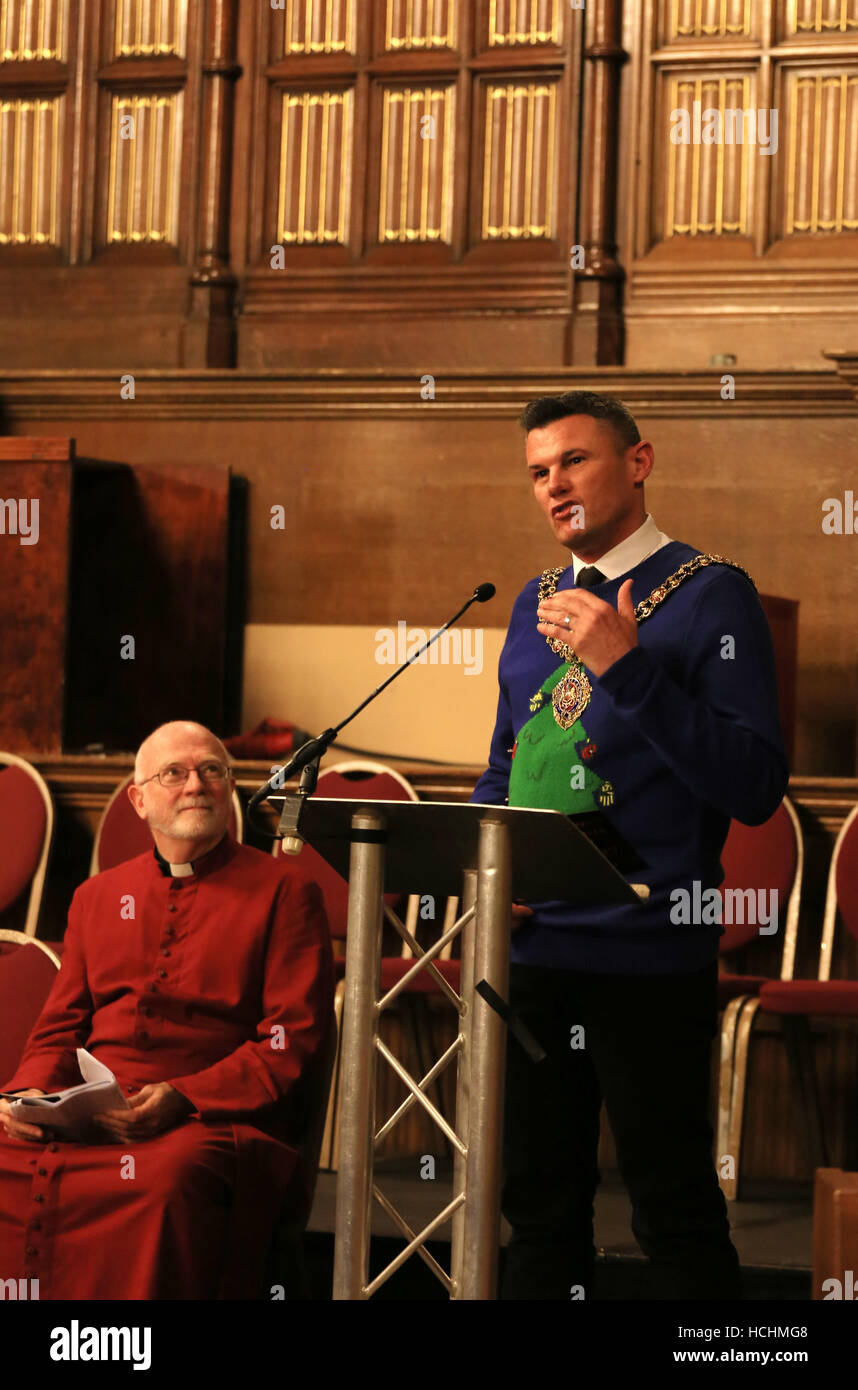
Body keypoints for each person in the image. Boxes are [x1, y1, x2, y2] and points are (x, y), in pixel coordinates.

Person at [471, 391, 789, 1301]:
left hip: (648, 952)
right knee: (537, 1209)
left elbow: (754, 786)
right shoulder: (533, 601)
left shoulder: (711, 594)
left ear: (639, 461)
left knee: (673, 1210)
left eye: (574, 460)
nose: (554, 485)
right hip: (533, 951)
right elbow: (507, 763)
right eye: (538, 471)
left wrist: (628, 666)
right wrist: (487, 861)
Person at [0, 720, 334, 1299]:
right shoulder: (97, 897)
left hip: (211, 1119)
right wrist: (27, 1097)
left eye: (211, 771)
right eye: (174, 773)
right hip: (93, 1114)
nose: (195, 785)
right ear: (138, 798)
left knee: (161, 1183)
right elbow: (57, 1031)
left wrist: (185, 1096)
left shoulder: (284, 891)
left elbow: (289, 1041)